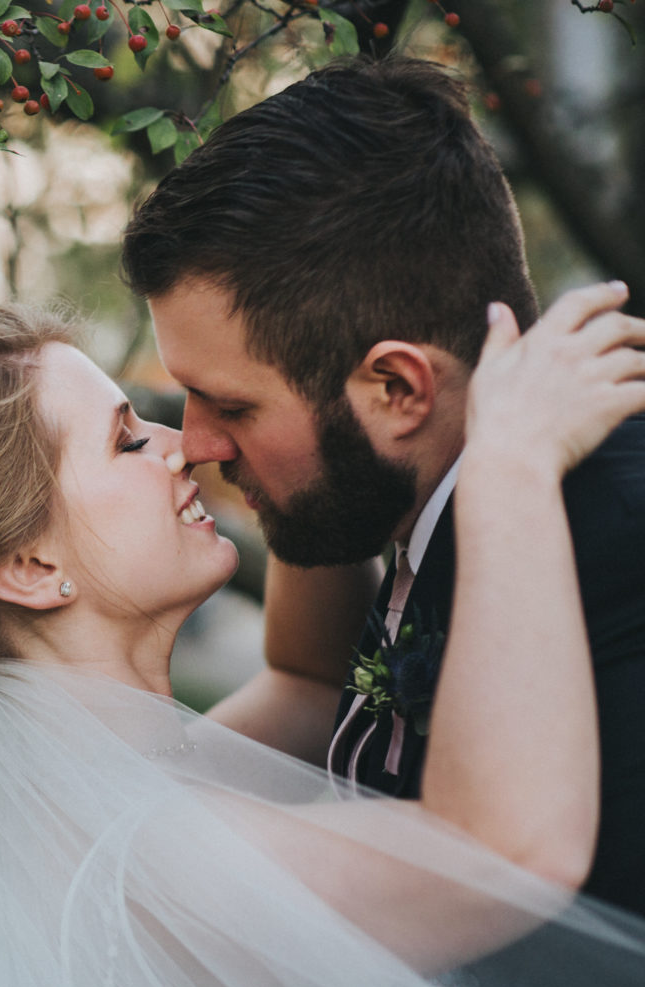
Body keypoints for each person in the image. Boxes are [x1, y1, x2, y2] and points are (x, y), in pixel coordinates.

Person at [0, 300, 645, 987]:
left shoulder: (125, 786)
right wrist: (510, 462)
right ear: (32, 564)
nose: (184, 445)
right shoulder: (146, 871)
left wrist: (298, 429)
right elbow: (498, 856)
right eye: (124, 439)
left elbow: (307, 682)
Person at [121, 57, 645, 917]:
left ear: (399, 390)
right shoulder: (405, 503)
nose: (200, 446)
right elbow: (314, 678)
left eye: (233, 405)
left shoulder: (618, 545)